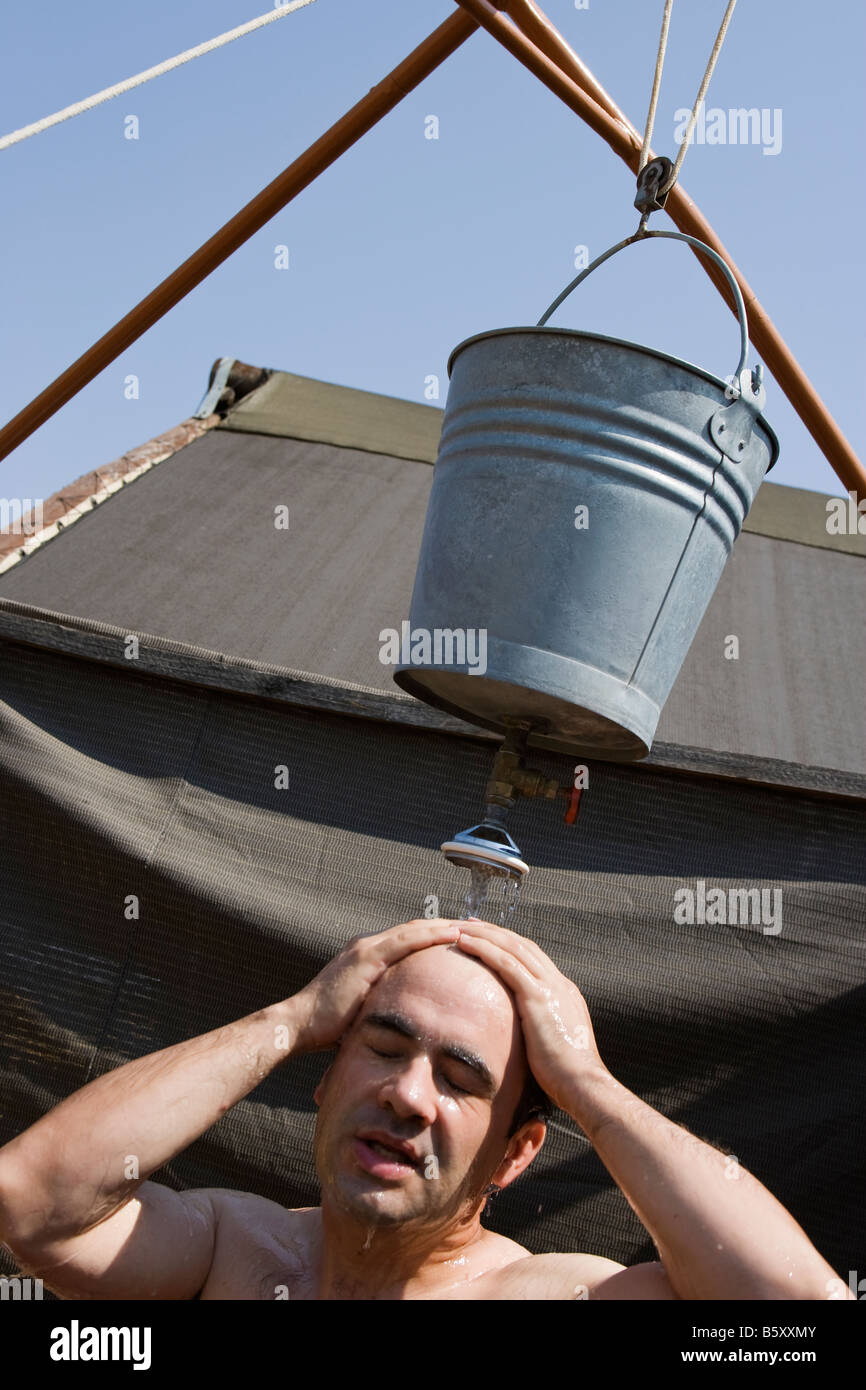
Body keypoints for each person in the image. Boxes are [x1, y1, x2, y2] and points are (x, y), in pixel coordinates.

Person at [0, 918, 849, 1300]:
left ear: (515, 1156)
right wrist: (290, 1021)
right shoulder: (229, 1252)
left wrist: (587, 1084)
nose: (407, 1095)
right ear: (324, 1082)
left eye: (461, 1080)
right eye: (384, 1048)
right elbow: (32, 1200)